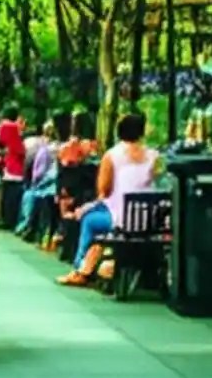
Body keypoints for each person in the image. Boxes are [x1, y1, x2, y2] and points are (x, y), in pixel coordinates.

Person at [58, 114, 161, 286]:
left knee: (89, 221)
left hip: (120, 219)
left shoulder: (112, 155)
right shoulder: (154, 156)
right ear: (141, 132)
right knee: (93, 211)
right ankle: (90, 267)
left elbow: (103, 190)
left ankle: (80, 270)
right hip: (149, 219)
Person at [0, 105, 28, 229]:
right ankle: (10, 220)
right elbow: (20, 149)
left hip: (6, 165)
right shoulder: (11, 127)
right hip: (15, 168)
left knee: (5, 195)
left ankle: (3, 218)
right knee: (13, 196)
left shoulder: (2, 126)